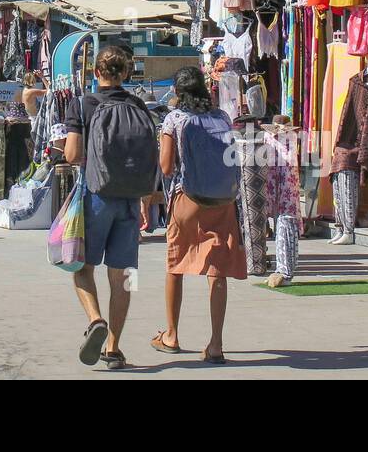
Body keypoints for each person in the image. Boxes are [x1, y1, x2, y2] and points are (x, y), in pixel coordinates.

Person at [64, 44, 158, 371]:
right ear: (127, 73)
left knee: (81, 268)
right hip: (131, 199)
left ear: (96, 72)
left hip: (96, 197)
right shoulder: (139, 106)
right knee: (125, 277)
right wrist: (146, 198)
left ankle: (95, 321)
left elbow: (72, 154)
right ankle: (114, 349)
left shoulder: (83, 104)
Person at [152, 66, 245, 362]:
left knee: (175, 265)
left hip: (187, 200)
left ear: (177, 92)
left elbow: (166, 167)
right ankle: (216, 344)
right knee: (217, 270)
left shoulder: (174, 119)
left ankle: (171, 335)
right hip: (222, 200)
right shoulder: (222, 117)